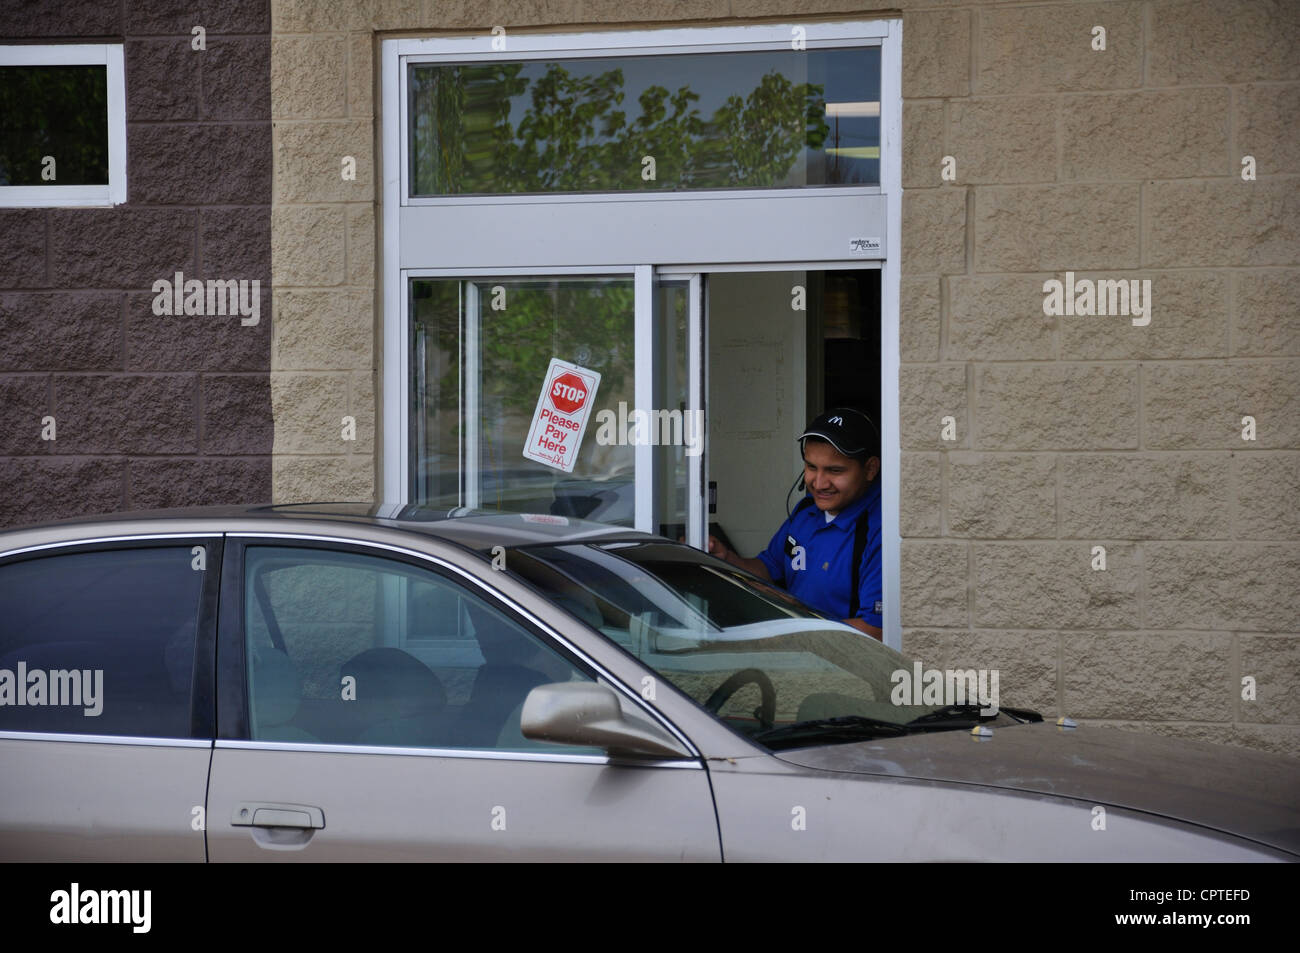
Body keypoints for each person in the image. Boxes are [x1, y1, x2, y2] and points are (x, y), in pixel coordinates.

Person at [708, 408, 883, 641]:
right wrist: (727, 560)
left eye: (835, 470)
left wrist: (799, 620)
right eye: (811, 467)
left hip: (843, 667)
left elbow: (876, 632)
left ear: (870, 469)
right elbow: (769, 569)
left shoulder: (883, 529)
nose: (819, 483)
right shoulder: (806, 509)